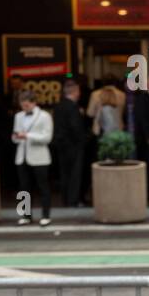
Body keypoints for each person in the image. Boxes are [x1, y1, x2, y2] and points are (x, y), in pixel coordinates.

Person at [11, 89, 53, 226]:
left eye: (27, 105)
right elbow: (15, 136)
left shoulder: (45, 116)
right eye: (22, 105)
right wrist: (16, 137)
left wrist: (28, 136)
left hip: (39, 157)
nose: (24, 108)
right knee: (24, 188)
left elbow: (47, 138)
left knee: (43, 187)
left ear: (34, 103)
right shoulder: (18, 116)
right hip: (22, 156)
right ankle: (26, 215)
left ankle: (46, 215)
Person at [53, 79, 89, 208]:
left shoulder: (58, 106)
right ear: (75, 92)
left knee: (64, 173)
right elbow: (75, 127)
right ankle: (72, 200)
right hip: (74, 145)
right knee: (75, 174)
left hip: (61, 145)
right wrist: (83, 139)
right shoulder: (73, 107)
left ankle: (66, 199)